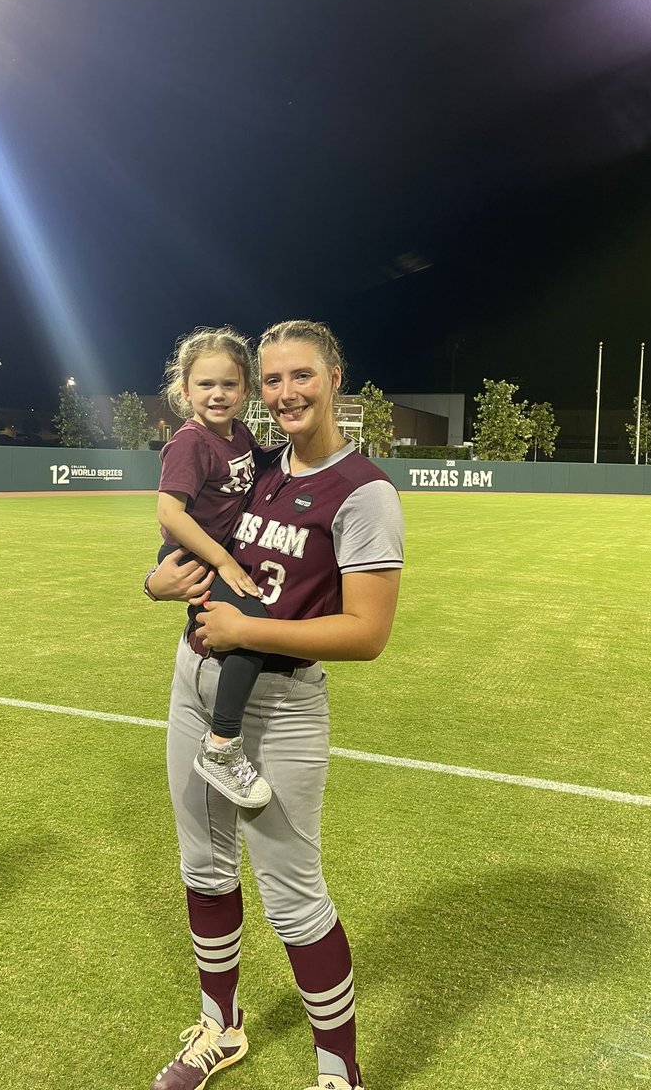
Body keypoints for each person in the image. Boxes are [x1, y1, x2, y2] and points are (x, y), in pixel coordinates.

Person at [145, 320, 404, 1090]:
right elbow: (193, 540)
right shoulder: (253, 466)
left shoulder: (366, 492)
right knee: (204, 868)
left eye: (302, 376)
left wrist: (245, 628)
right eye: (274, 380)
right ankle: (220, 1028)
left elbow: (367, 633)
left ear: (333, 378)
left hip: (281, 705)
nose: (286, 392)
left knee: (292, 896)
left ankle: (339, 1072)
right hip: (195, 684)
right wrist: (154, 582)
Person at [151, 326, 273, 808]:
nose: (217, 394)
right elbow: (169, 513)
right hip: (189, 556)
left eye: (228, 384)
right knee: (251, 626)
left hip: (215, 554)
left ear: (245, 390)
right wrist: (221, 560)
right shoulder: (190, 443)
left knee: (251, 623)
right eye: (205, 385)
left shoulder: (239, 433)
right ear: (185, 390)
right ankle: (221, 746)